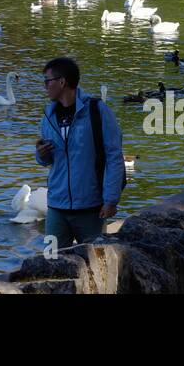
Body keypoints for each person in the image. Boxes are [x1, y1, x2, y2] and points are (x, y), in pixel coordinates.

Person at [33, 56, 125, 248]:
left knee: (96, 264)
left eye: (47, 81)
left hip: (90, 208)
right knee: (52, 262)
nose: (45, 86)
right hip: (57, 207)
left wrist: (110, 200)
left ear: (62, 81)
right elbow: (49, 160)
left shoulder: (97, 111)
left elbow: (114, 158)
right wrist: (41, 155)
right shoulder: (48, 116)